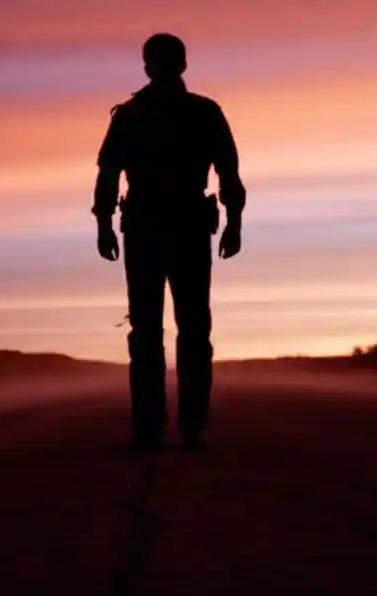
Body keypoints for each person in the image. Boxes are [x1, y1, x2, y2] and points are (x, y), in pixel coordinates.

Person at [93, 33, 246, 450]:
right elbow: (108, 174)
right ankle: (163, 427)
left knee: (181, 330)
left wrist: (234, 221)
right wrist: (104, 223)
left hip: (174, 229)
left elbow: (228, 172)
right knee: (160, 331)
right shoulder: (139, 115)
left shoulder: (188, 113)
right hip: (157, 229)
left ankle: (175, 427)